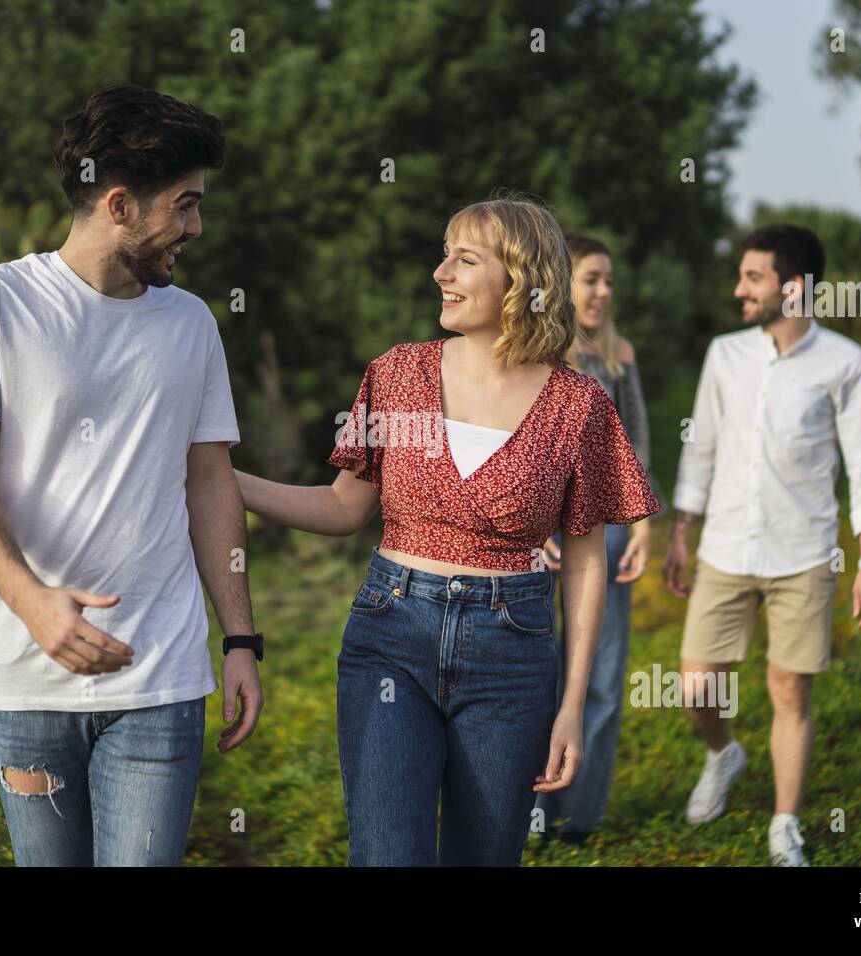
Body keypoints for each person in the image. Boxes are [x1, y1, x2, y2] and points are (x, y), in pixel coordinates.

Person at [235, 193, 661, 865]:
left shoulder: (580, 405)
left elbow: (584, 562)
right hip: (390, 635)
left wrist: (572, 704)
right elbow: (345, 508)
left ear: (520, 279)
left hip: (513, 653)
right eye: (444, 256)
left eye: (464, 260)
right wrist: (224, 481)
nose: (441, 274)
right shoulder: (395, 373)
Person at [0, 84, 264, 866]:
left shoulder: (192, 324)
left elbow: (211, 483)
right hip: (26, 677)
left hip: (162, 678)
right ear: (119, 204)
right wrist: (34, 603)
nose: (196, 227)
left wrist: (241, 638)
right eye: (184, 205)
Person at [663, 223, 861, 866]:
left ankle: (784, 823)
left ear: (793, 288)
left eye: (753, 277)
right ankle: (723, 753)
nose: (739, 289)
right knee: (694, 684)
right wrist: (681, 530)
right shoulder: (725, 354)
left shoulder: (846, 363)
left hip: (804, 553)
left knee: (790, 689)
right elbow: (701, 445)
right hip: (725, 548)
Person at [535, 233, 666, 840]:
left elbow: (634, 442)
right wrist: (532, 531)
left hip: (607, 534)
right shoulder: (534, 355)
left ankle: (578, 819)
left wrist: (642, 523)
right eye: (592, 278)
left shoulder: (619, 355)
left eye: (609, 280)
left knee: (603, 676)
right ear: (563, 282)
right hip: (536, 538)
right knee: (533, 672)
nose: (603, 291)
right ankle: (527, 805)